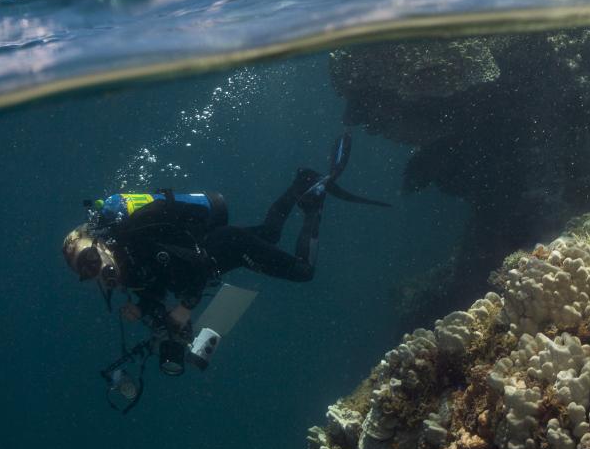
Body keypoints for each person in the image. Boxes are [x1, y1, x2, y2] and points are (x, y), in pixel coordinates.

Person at [63, 131, 378, 340]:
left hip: (219, 245)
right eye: (86, 272)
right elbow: (159, 279)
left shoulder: (136, 232)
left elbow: (190, 264)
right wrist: (145, 308)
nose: (95, 270)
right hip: (215, 247)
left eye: (90, 258)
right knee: (268, 234)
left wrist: (186, 306)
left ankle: (314, 199)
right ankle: (301, 184)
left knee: (303, 271)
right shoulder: (126, 269)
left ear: (101, 243)